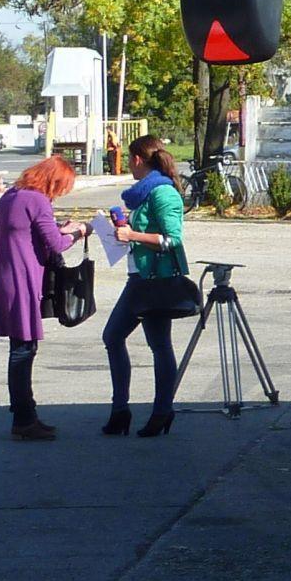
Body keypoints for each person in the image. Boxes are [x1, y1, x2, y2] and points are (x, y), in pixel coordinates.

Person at [0, 155, 90, 441]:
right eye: (62, 187)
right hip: (23, 278)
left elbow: (28, 233)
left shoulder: (11, 195)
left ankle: (26, 414)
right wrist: (80, 232)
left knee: (21, 348)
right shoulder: (37, 200)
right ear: (53, 181)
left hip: (5, 276)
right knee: (23, 351)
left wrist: (58, 228)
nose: (61, 193)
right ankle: (23, 419)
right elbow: (56, 244)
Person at [102, 134, 190, 438]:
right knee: (121, 339)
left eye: (129, 158)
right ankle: (124, 411)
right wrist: (128, 225)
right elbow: (149, 227)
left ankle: (158, 410)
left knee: (144, 342)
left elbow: (172, 239)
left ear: (138, 159)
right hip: (140, 277)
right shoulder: (144, 193)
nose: (128, 164)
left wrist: (132, 236)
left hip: (156, 281)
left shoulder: (163, 192)